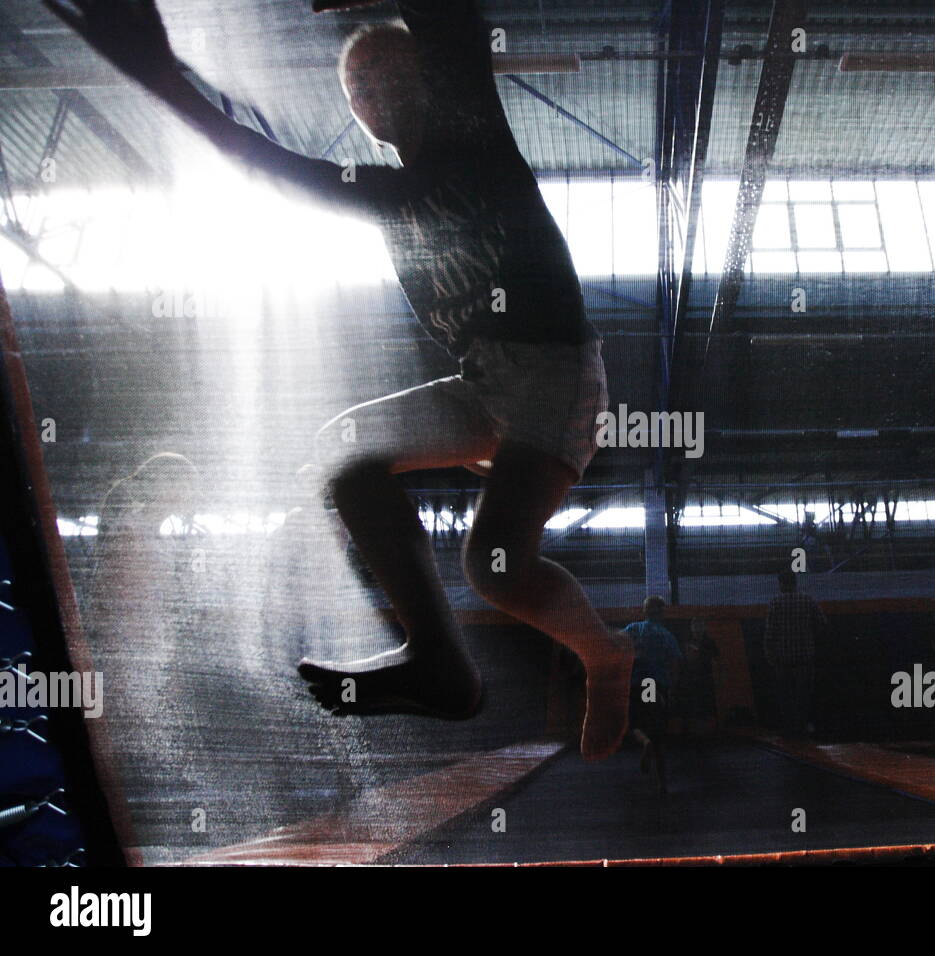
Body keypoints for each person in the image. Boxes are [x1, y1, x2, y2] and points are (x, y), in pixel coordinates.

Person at [50, 0, 634, 760]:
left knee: (494, 562)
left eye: (390, 70)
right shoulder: (382, 197)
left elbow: (453, 25)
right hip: (485, 384)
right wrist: (164, 81)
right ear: (355, 112)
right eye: (359, 84)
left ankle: (605, 655)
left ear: (427, 77)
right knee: (345, 454)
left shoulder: (474, 138)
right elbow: (264, 163)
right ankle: (439, 662)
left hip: (555, 375)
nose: (375, 90)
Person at [623, 596, 683, 792]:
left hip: (638, 683)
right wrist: (672, 689)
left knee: (634, 724)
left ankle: (644, 741)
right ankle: (662, 782)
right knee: (658, 733)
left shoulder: (634, 628)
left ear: (645, 611)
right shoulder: (666, 635)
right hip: (655, 685)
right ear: (661, 613)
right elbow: (675, 664)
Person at [762, 569, 825, 737]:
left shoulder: (776, 602)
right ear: (795, 583)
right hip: (804, 656)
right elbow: (821, 623)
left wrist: (770, 654)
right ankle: (802, 727)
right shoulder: (807, 600)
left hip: (782, 658)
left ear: (781, 584)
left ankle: (789, 729)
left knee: (786, 696)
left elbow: (769, 632)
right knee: (803, 695)